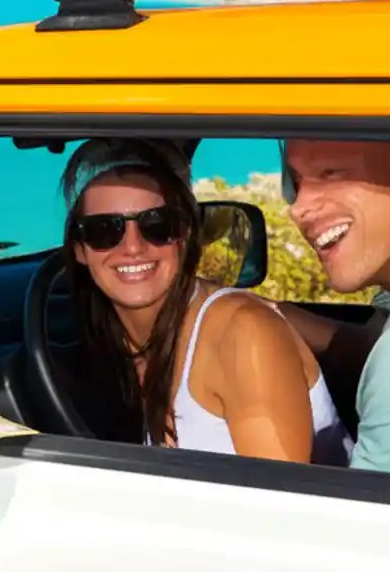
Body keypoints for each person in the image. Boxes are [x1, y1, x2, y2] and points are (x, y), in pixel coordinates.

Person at [61, 138, 352, 465]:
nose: (132, 247)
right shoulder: (129, 345)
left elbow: (278, 505)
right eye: (104, 230)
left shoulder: (243, 334)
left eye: (157, 225)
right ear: (79, 249)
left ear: (185, 236)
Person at [275, 139, 390, 477]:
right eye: (297, 183)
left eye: (330, 174)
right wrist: (273, 316)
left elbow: (372, 527)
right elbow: (372, 352)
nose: (297, 209)